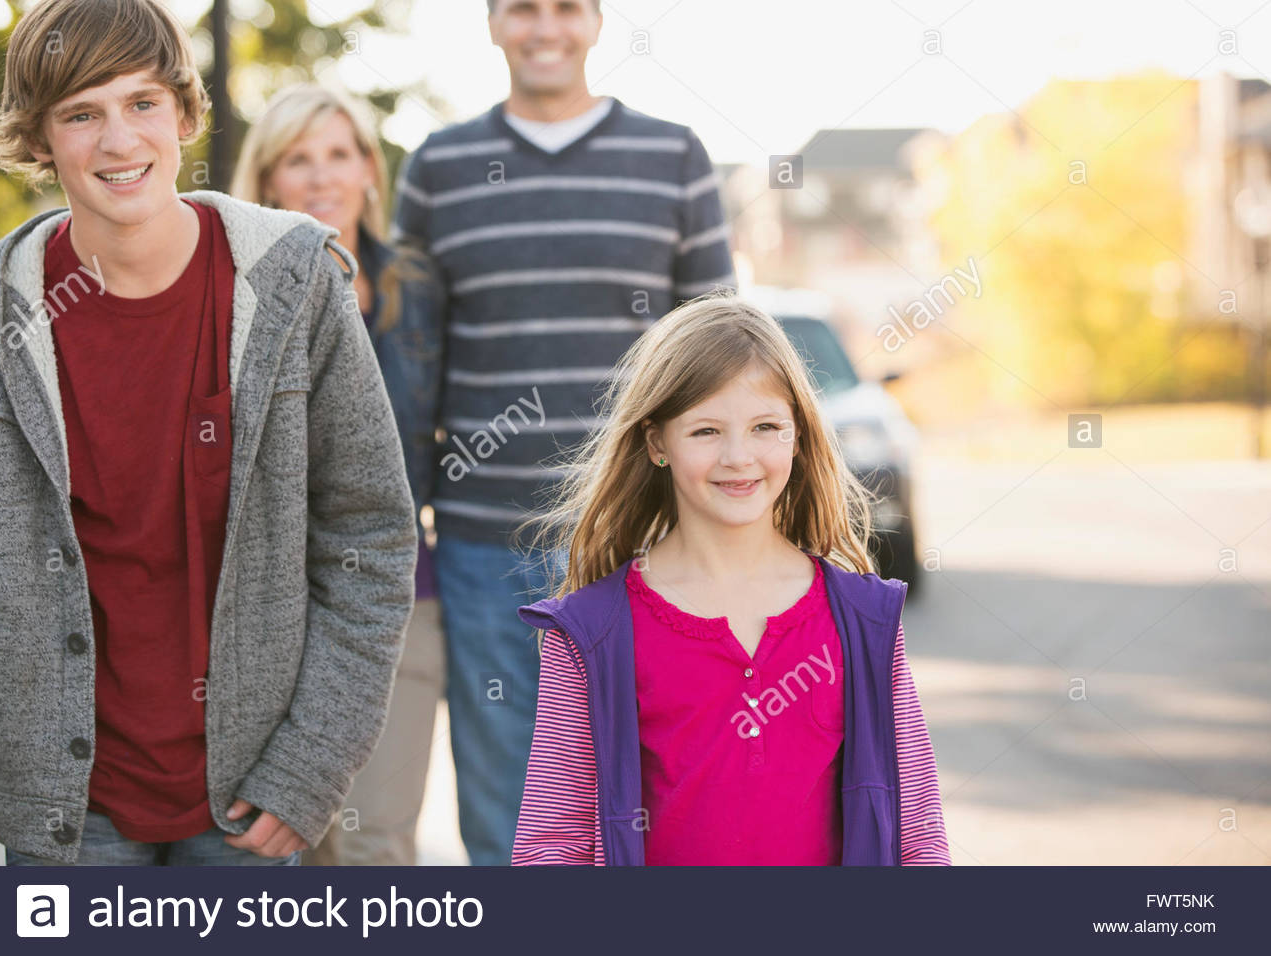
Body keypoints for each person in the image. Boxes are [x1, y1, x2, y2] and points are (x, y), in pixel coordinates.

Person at [0, 0, 415, 866]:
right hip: (65, 813)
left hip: (249, 804)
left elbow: (369, 538)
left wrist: (310, 770)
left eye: (142, 103)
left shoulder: (294, 286)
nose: (118, 141)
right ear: (40, 138)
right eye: (82, 114)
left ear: (182, 111)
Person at [392, 0, 736, 865]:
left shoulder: (674, 158)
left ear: (595, 22)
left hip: (648, 534)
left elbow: (719, 354)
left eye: (564, 9)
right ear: (492, 24)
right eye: (521, 9)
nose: (543, 27)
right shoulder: (438, 167)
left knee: (666, 785)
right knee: (507, 801)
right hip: (482, 543)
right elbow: (411, 360)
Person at [511, 294, 950, 865]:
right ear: (655, 443)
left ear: (798, 433)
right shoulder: (592, 634)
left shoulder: (863, 622)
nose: (739, 456)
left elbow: (916, 828)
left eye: (765, 426)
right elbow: (551, 843)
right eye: (706, 431)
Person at [231, 83, 445, 866]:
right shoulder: (232, 294)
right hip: (261, 608)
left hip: (396, 599)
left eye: (339, 154)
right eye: (298, 159)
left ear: (368, 173)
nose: (321, 177)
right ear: (267, 183)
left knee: (376, 842)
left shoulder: (417, 292)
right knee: (270, 846)